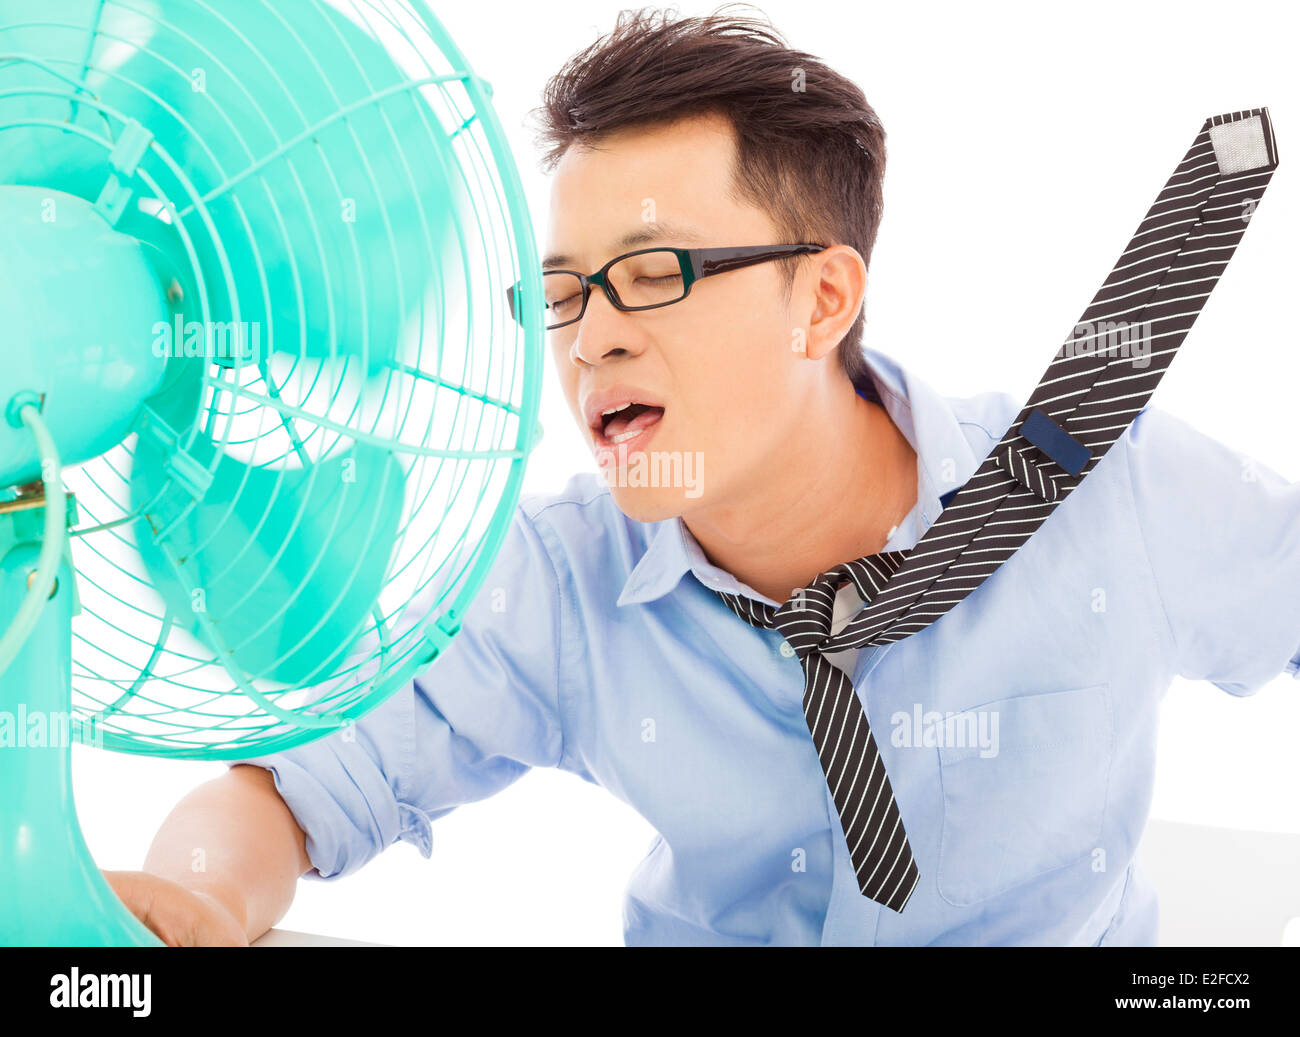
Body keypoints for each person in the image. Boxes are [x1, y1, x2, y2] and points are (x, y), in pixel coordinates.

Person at [107, 6, 1300, 946]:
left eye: (656, 271)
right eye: (564, 291)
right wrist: (195, 898)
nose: (592, 340)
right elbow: (292, 790)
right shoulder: (562, 574)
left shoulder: (1107, 494)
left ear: (822, 297)